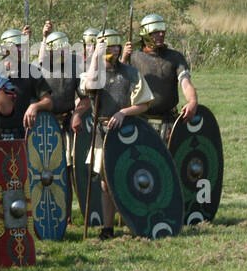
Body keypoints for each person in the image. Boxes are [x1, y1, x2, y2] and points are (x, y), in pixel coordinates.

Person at [73, 29, 153, 239]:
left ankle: (134, 222)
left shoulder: (131, 73)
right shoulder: (93, 73)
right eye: (109, 46)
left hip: (127, 131)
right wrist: (96, 59)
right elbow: (89, 85)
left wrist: (123, 112)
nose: (114, 50)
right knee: (105, 183)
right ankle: (107, 228)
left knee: (129, 177)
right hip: (102, 132)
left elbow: (144, 103)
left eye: (116, 46)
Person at [124, 13, 200, 137]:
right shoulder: (134, 58)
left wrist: (192, 101)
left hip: (169, 123)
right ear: (146, 34)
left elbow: (185, 82)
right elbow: (119, 83)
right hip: (141, 124)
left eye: (162, 31)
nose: (161, 34)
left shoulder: (175, 57)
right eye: (155, 32)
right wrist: (124, 59)